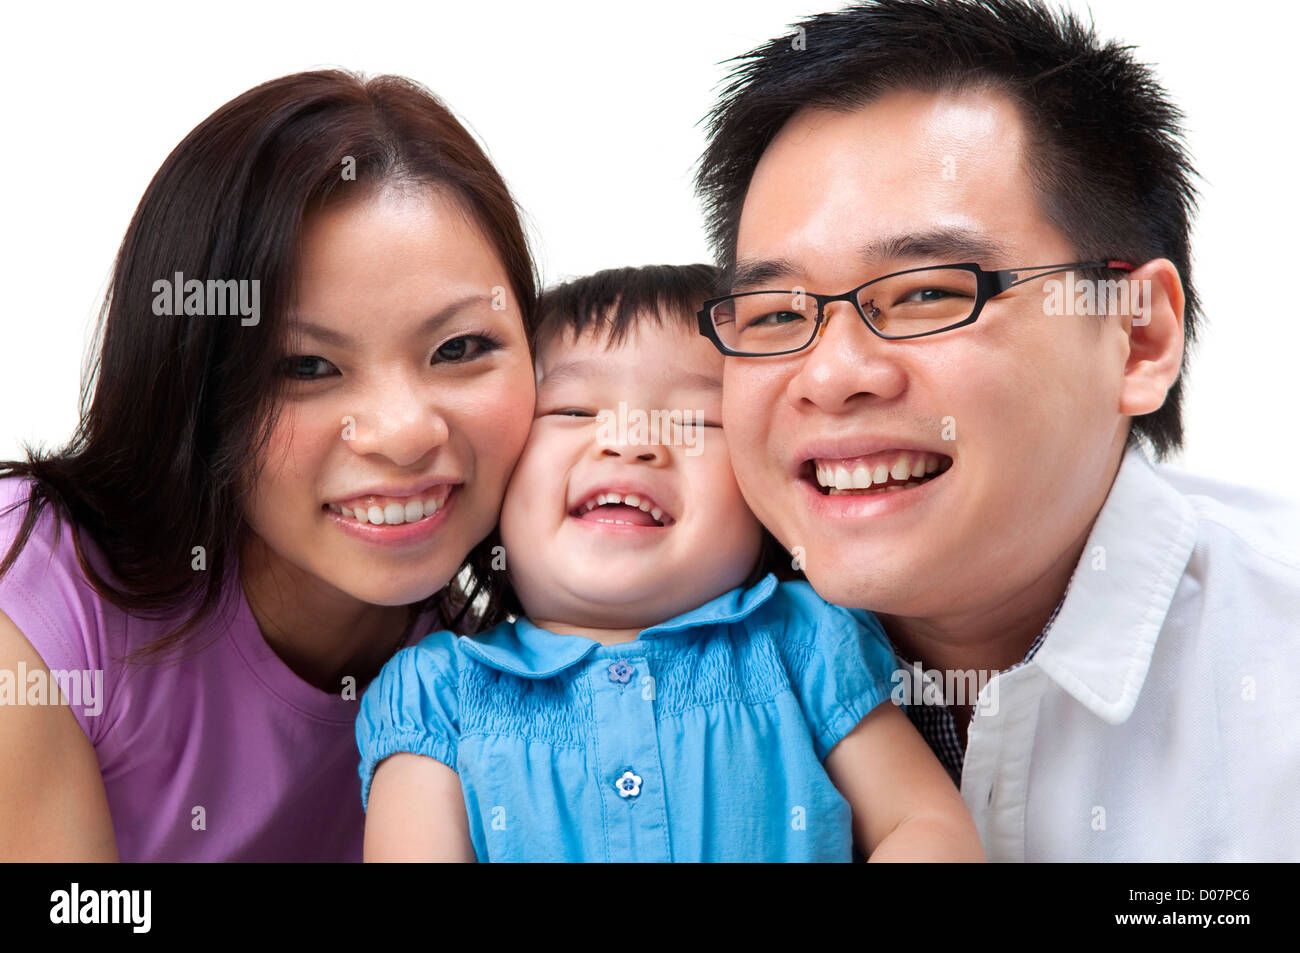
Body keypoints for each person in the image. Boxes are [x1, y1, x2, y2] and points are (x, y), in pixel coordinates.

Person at [693, 0, 1300, 861]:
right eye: (776, 310)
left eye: (929, 292)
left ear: (1138, 336)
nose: (829, 375)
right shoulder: (634, 639)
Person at [0, 70, 539, 860]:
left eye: (459, 348)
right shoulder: (42, 600)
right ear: (188, 384)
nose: (402, 433)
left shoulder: (520, 642)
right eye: (306, 367)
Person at [356, 264, 985, 861]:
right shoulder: (436, 695)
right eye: (574, 411)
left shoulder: (804, 643)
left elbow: (923, 825)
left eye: (694, 422)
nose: (630, 441)